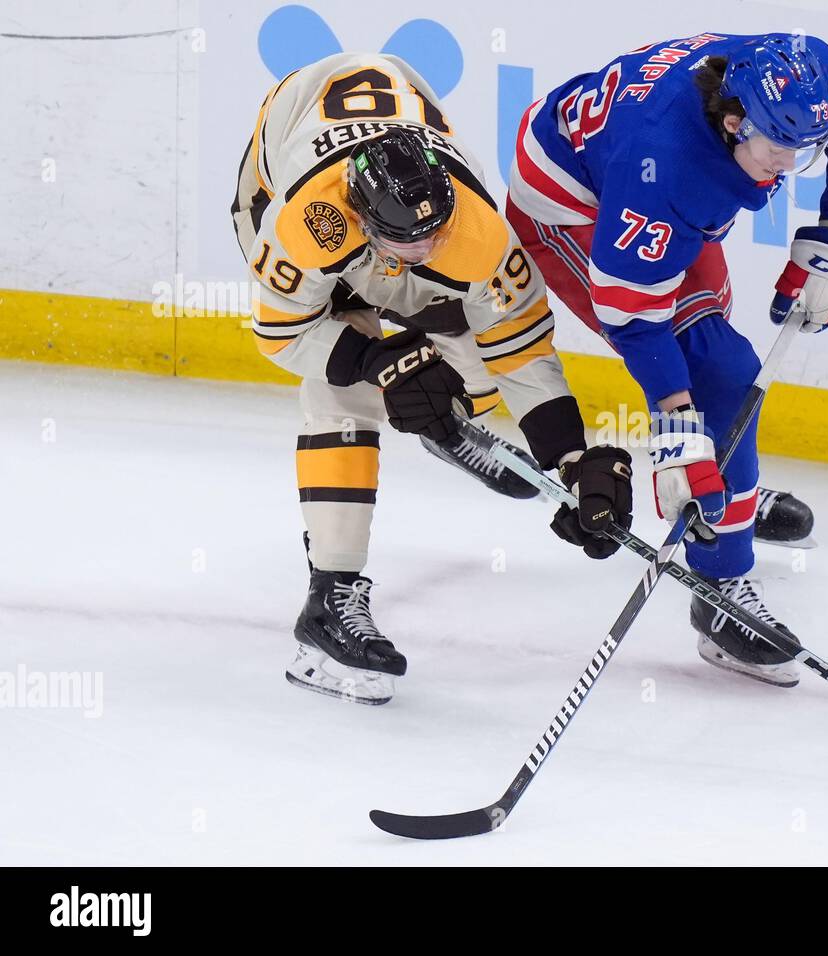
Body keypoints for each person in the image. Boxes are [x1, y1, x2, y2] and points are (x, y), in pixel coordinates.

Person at [232, 52, 633, 704]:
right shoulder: (309, 222)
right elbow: (281, 335)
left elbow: (522, 353)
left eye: (435, 232)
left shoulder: (475, 230)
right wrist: (371, 362)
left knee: (469, 343)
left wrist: (570, 457)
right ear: (361, 215)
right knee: (341, 394)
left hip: (387, 136)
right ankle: (328, 602)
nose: (426, 250)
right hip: (282, 164)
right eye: (406, 241)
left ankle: (444, 423)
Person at [507, 32, 828, 687]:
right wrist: (677, 426)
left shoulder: (812, 75)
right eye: (776, 146)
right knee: (716, 372)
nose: (786, 164)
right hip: (572, 205)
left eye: (802, 151)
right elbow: (633, 317)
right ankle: (720, 594)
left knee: (715, 369)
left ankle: (725, 491)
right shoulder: (664, 164)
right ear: (734, 119)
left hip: (632, 166)